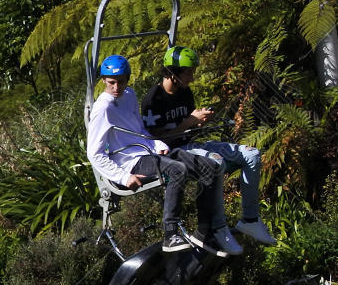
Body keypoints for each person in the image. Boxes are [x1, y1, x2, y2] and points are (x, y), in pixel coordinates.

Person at [87, 54, 234, 255]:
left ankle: (203, 233)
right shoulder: (103, 107)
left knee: (209, 166)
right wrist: (123, 176)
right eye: (111, 82)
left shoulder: (129, 95)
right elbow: (94, 153)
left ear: (127, 79)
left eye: (120, 82)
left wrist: (157, 144)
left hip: (148, 151)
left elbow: (139, 131)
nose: (116, 87)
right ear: (103, 80)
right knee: (178, 170)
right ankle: (170, 234)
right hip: (131, 162)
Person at [142, 46, 276, 248]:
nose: (192, 77)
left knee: (251, 155)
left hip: (193, 144)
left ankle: (250, 220)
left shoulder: (185, 92)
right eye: (188, 73)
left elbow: (188, 126)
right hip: (175, 154)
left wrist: (199, 121)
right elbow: (156, 141)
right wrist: (189, 121)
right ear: (172, 73)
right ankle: (217, 227)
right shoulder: (154, 99)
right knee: (216, 161)